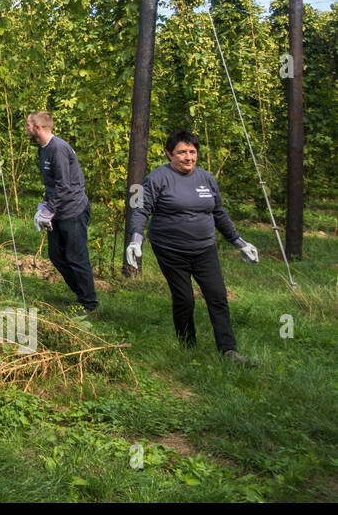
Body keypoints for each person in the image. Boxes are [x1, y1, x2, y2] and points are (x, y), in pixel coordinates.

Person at [126, 129, 258, 365]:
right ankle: (188, 347)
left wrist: (240, 242)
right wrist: (136, 240)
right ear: (169, 154)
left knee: (217, 296)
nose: (188, 157)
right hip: (170, 249)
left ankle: (229, 351)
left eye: (192, 152)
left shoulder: (207, 179)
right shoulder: (156, 178)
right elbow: (141, 209)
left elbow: (219, 213)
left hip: (204, 248)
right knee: (185, 298)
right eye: (182, 152)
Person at [26, 110, 99, 314]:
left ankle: (89, 303)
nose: (26, 129)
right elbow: (52, 184)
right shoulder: (43, 149)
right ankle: (81, 294)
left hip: (73, 211)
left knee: (76, 257)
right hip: (58, 210)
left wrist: (49, 210)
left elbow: (65, 186)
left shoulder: (58, 148)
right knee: (56, 255)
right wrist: (44, 205)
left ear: (38, 128)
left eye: (28, 126)